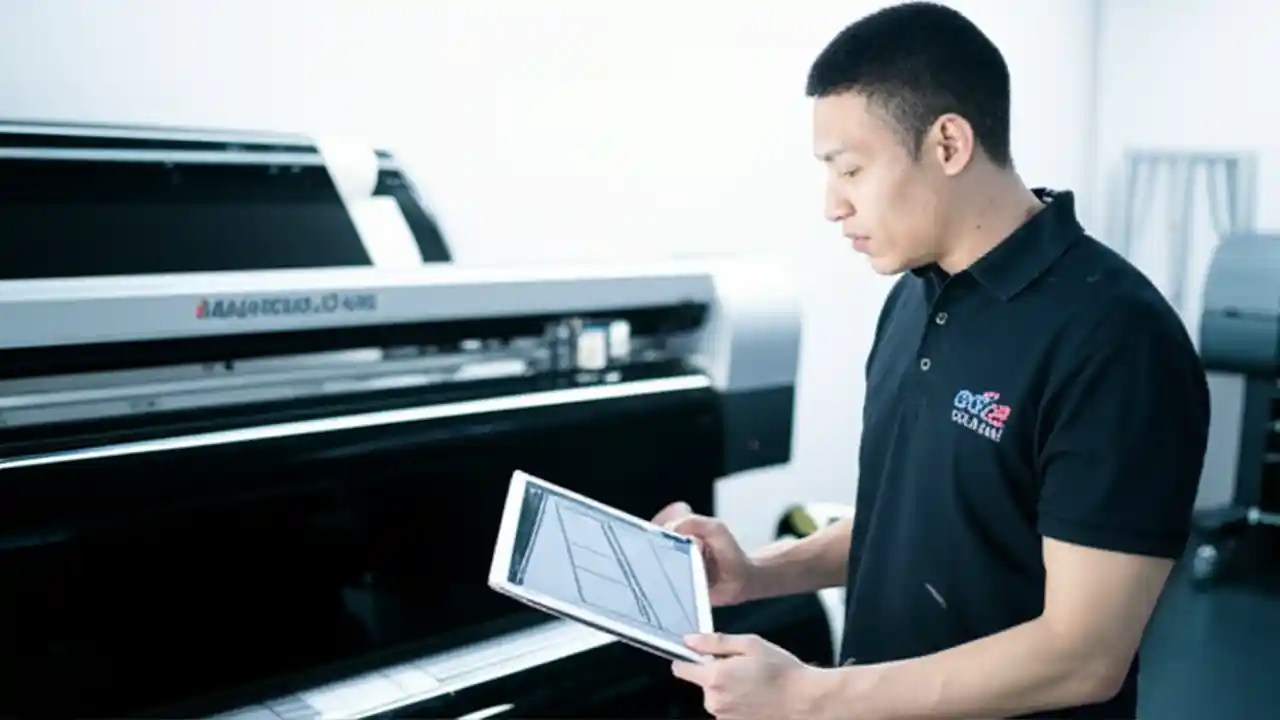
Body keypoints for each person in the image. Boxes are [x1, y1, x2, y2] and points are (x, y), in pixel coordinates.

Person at [655, 3, 1211, 719]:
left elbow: (1083, 656)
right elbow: (915, 516)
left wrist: (810, 697)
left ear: (948, 143)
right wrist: (757, 573)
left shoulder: (1118, 342)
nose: (832, 205)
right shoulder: (915, 297)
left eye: (850, 169)